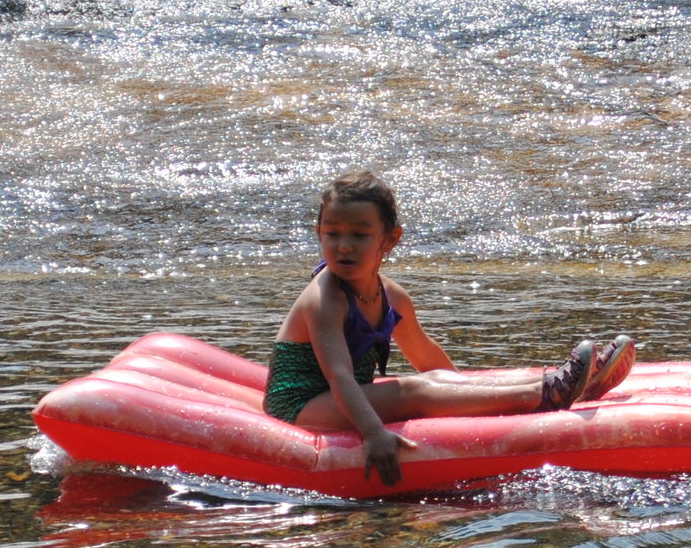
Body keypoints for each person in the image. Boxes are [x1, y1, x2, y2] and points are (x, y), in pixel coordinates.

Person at [268, 172, 636, 485]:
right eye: (332, 233)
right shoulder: (325, 298)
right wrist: (373, 433)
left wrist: (466, 395)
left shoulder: (391, 296)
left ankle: (566, 386)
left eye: (359, 235)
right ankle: (550, 391)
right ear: (319, 233)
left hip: (336, 398)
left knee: (436, 381)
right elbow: (339, 376)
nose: (343, 245)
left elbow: (429, 359)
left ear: (390, 239)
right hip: (301, 405)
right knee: (415, 389)